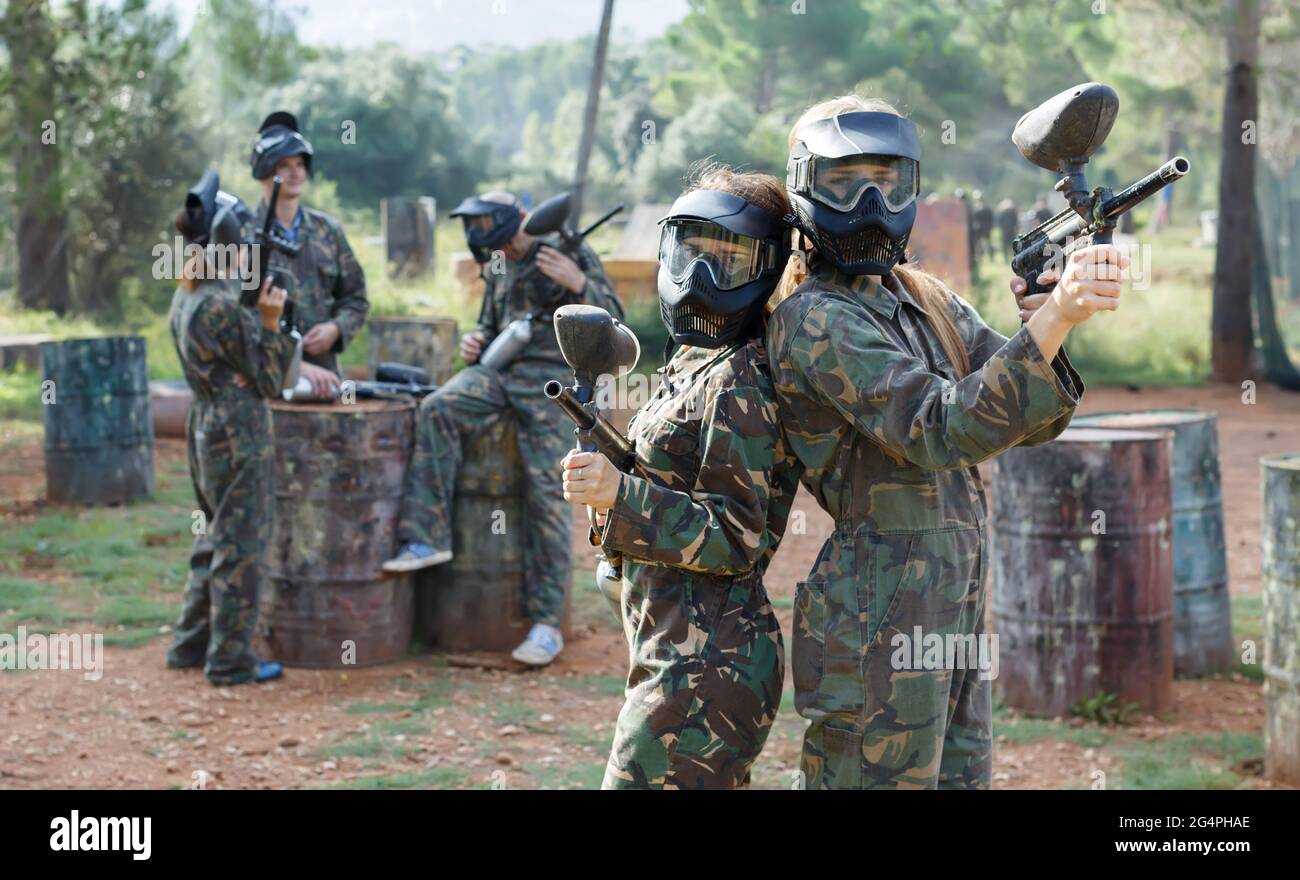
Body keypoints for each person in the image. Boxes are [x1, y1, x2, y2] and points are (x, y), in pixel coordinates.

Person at [769, 95, 1129, 789]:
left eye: (889, 181)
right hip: (876, 608)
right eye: (846, 182)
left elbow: (1033, 422)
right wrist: (1054, 316)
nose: (871, 200)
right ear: (806, 186)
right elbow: (939, 430)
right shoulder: (814, 320)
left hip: (954, 595)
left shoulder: (921, 297)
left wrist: (1049, 325)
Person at [559, 166, 800, 788]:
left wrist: (621, 492)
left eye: (730, 261)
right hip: (677, 649)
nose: (702, 280)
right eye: (692, 254)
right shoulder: (698, 358)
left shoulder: (740, 377)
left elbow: (738, 538)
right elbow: (674, 482)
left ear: (766, 269)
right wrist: (615, 478)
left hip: (706, 668)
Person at [385, 191, 623, 667]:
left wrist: (578, 283)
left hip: (550, 385)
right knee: (436, 409)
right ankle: (427, 536)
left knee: (545, 496)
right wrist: (477, 342)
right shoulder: (497, 265)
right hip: (496, 376)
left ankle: (546, 625)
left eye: (484, 224)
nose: (476, 235)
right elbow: (491, 325)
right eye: (470, 227)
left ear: (515, 220)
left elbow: (613, 320)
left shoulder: (565, 252)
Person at [165, 170, 299, 686]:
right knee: (240, 544)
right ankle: (230, 660)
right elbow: (268, 381)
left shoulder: (189, 294)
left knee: (213, 537)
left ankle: (189, 644)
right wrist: (269, 324)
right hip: (238, 428)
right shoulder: (222, 306)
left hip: (205, 422)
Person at [245, 111, 369, 399]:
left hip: (324, 381)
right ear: (264, 171)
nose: (296, 172)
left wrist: (336, 329)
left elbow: (356, 299)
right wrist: (292, 362)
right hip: (266, 379)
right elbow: (237, 316)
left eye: (300, 164)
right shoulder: (243, 234)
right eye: (284, 165)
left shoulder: (328, 231)